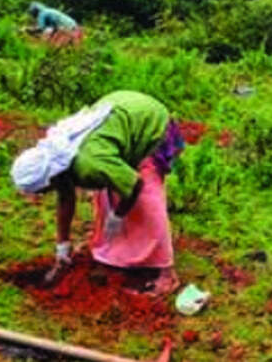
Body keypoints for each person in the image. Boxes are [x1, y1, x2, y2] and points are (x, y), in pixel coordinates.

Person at [11, 90, 184, 296]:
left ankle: (167, 274)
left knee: (146, 199)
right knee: (108, 195)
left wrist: (118, 216)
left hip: (149, 122)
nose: (42, 195)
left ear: (48, 179)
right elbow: (65, 197)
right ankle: (115, 249)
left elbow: (135, 184)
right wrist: (62, 248)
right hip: (121, 116)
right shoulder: (58, 159)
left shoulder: (88, 164)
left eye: (41, 191)